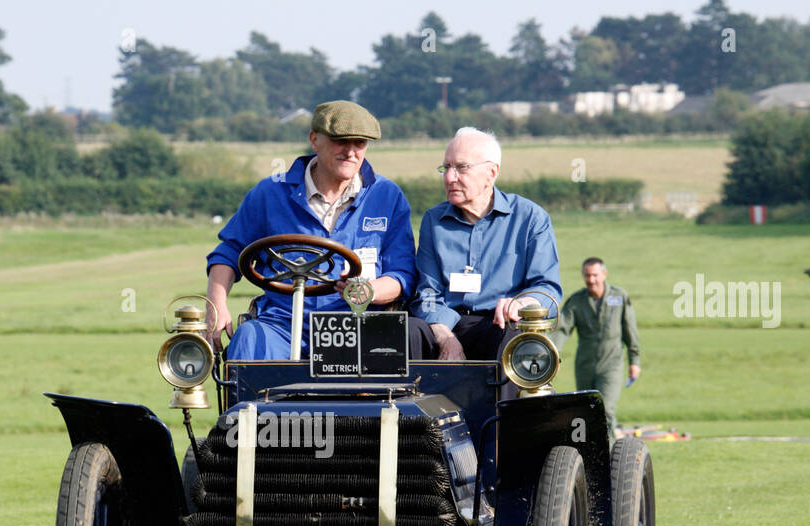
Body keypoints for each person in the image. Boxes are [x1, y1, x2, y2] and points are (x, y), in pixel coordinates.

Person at [206, 101, 417, 359]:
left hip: (356, 326)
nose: (351, 152)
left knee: (384, 358)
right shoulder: (270, 193)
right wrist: (216, 305)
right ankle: (248, 402)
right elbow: (229, 252)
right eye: (341, 141)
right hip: (281, 324)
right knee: (248, 341)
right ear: (315, 140)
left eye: (360, 143)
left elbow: (403, 274)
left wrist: (369, 290)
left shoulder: (387, 196)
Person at [412, 127, 561, 364]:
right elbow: (428, 292)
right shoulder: (433, 221)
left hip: (500, 325)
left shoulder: (530, 218)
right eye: (446, 168)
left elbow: (548, 289)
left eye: (461, 168)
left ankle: (505, 403)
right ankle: (401, 401)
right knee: (411, 330)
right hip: (447, 324)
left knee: (513, 336)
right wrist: (445, 336)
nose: (450, 177)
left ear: (491, 173)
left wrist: (521, 303)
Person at [551, 258, 641, 442]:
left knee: (605, 408)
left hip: (611, 365)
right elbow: (562, 330)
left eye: (595, 275)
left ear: (604, 274)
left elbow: (630, 330)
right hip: (585, 365)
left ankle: (608, 458)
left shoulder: (619, 297)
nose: (591, 280)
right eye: (587, 275)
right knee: (585, 410)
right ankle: (588, 455)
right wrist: (549, 355)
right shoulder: (576, 301)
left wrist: (635, 361)